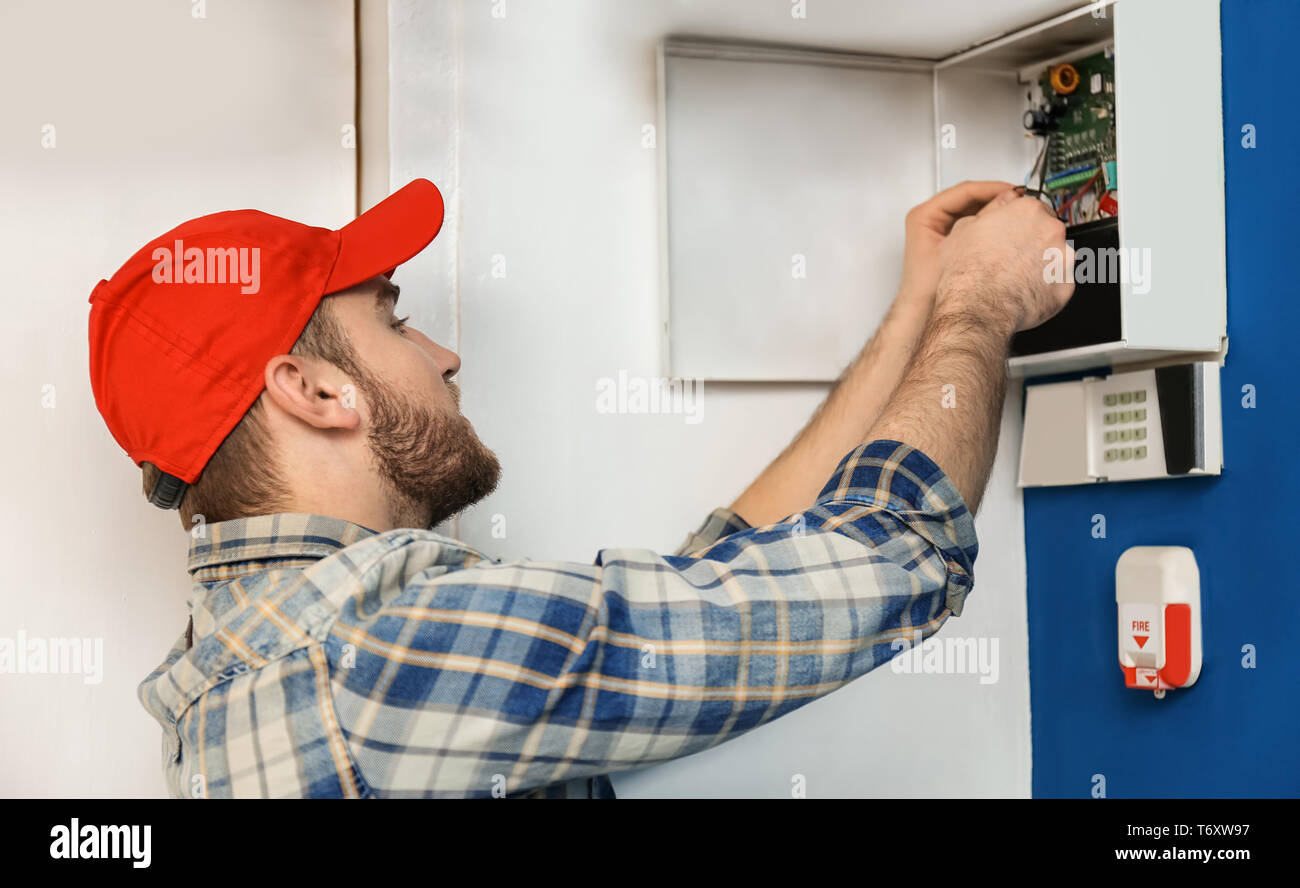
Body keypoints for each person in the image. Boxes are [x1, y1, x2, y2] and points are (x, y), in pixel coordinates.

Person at [88, 177, 1072, 798]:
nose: (443, 354)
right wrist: (981, 307)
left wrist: (917, 313)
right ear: (313, 390)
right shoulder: (377, 657)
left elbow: (711, 588)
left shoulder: (238, 667)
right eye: (395, 322)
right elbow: (898, 554)